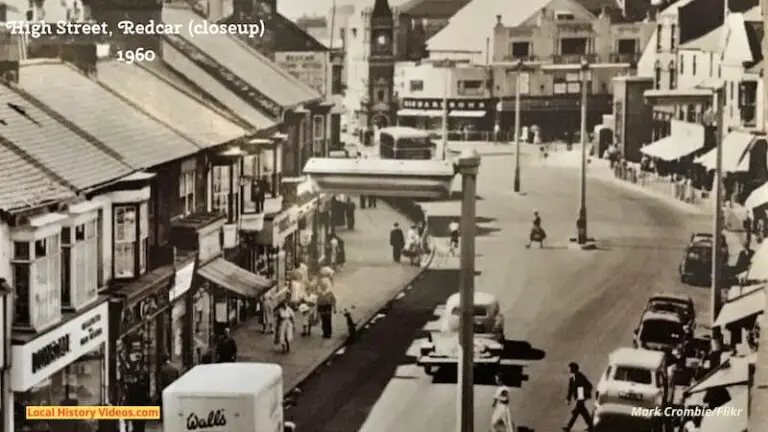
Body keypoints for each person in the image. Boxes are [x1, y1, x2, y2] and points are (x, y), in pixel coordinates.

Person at [563, 362, 593, 431]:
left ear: (575, 369)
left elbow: (589, 386)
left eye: (571, 368)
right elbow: (570, 389)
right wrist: (568, 399)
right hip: (579, 396)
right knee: (582, 412)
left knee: (577, 412)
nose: (570, 369)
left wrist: (583, 396)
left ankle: (568, 427)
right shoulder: (572, 378)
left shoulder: (580, 376)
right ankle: (591, 426)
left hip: (581, 395)